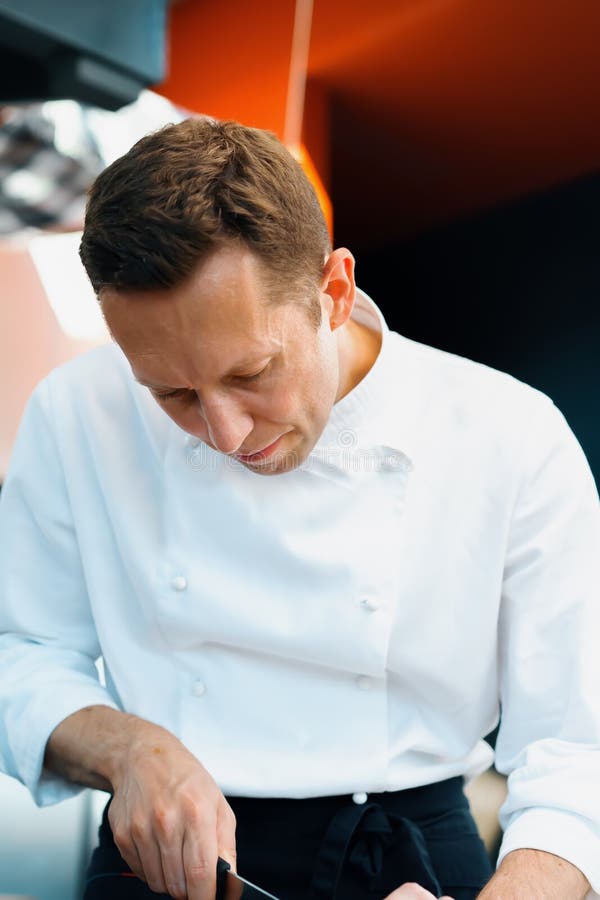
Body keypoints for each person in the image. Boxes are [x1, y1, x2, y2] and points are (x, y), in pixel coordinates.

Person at [0, 118, 598, 900]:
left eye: (251, 373)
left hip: (406, 861)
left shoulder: (511, 434)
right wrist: (127, 750)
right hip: (167, 858)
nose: (224, 432)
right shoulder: (74, 414)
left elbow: (576, 749)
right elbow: (22, 650)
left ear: (335, 291)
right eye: (171, 392)